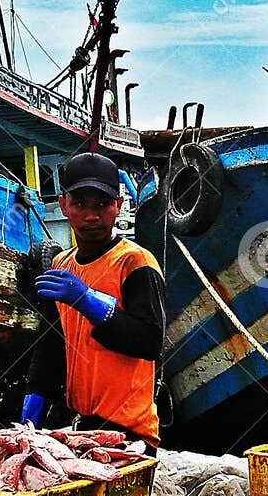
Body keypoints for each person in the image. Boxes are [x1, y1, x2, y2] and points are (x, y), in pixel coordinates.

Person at [24, 152, 166, 451]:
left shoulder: (135, 262)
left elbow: (149, 342)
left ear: (118, 206)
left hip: (129, 435)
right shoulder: (61, 266)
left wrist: (89, 302)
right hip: (79, 429)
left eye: (101, 205)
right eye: (80, 204)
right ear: (63, 206)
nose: (91, 216)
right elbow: (50, 345)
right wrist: (33, 404)